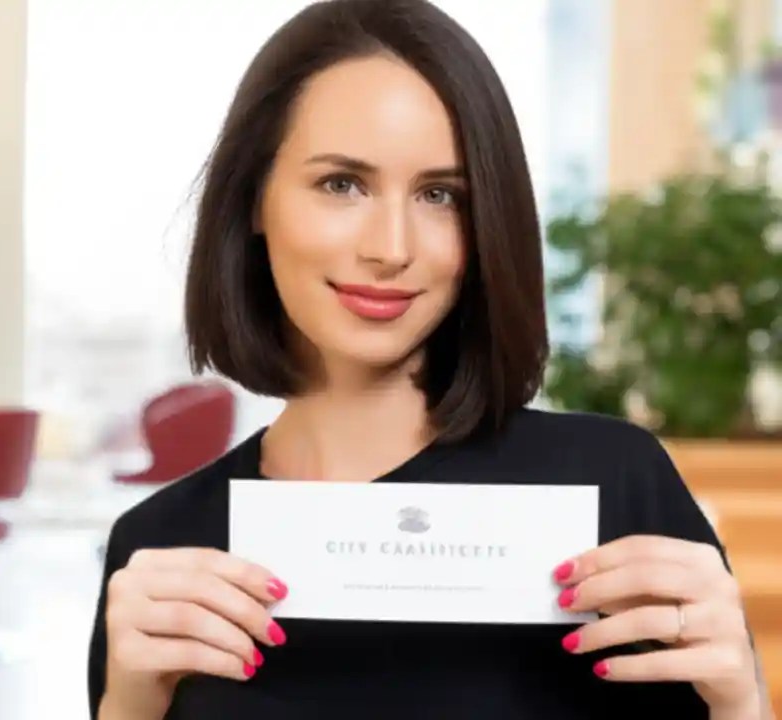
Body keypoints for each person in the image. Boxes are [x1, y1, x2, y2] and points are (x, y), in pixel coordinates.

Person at [86, 1, 774, 718]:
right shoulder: (161, 547)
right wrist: (128, 706)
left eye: (440, 195)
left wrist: (739, 705)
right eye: (341, 184)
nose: (391, 246)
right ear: (255, 198)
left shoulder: (615, 489)